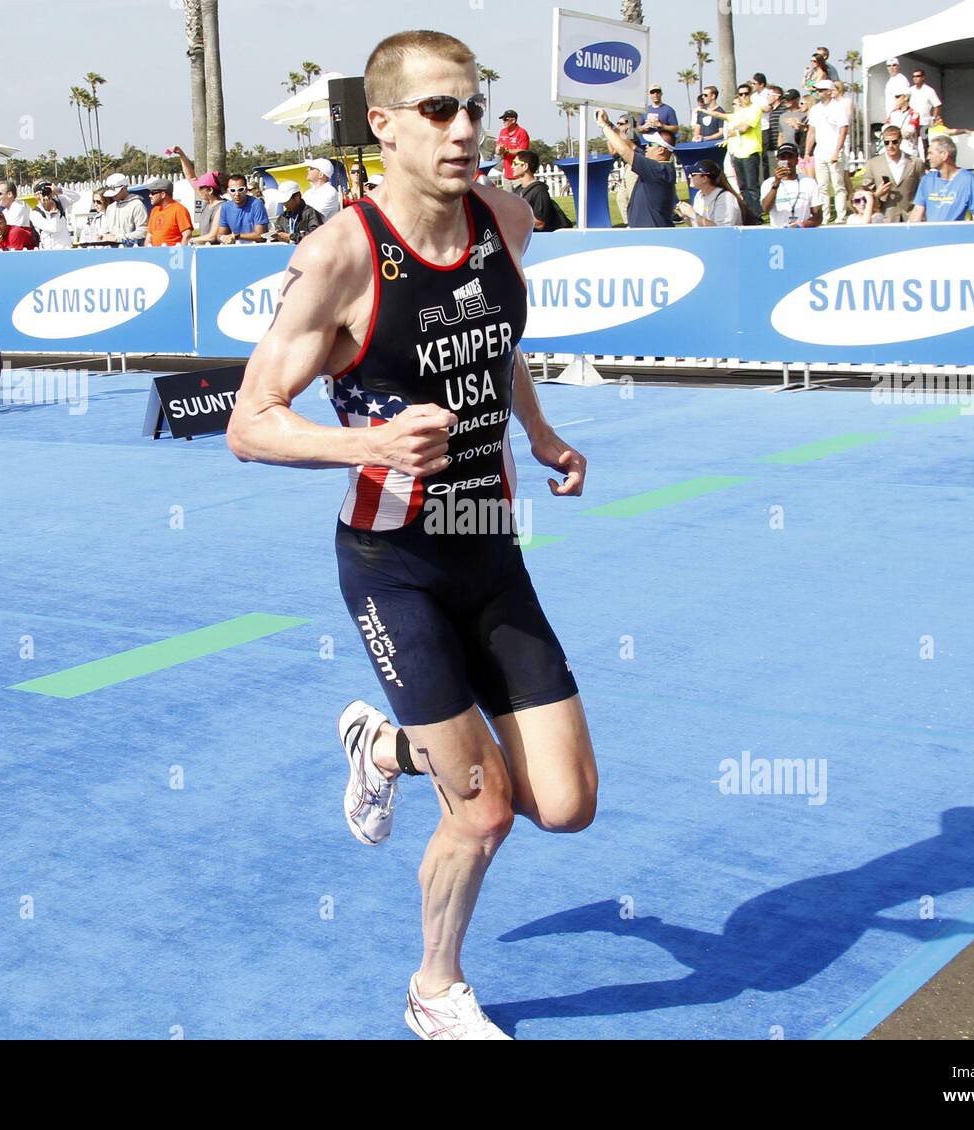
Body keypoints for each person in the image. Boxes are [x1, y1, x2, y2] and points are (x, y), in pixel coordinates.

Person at [225, 28, 594, 1042]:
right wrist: (369, 442)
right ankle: (436, 985)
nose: (466, 128)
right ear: (382, 125)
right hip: (395, 566)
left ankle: (383, 744)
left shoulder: (506, 220)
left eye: (473, 106)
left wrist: (546, 433)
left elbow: (498, 341)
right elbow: (248, 422)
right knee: (483, 810)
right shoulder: (340, 255)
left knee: (563, 802)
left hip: (489, 543)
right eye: (439, 110)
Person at [596, 110, 677, 228]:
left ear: (660, 150)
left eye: (651, 144)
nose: (647, 147)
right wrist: (609, 124)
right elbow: (630, 144)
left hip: (652, 234)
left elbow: (624, 151)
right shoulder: (657, 165)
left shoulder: (658, 170)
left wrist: (603, 126)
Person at [701, 83, 763, 223]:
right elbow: (723, 116)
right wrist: (707, 111)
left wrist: (731, 132)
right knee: (743, 188)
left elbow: (745, 128)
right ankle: (749, 215)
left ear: (750, 94)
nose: (743, 97)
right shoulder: (738, 113)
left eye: (745, 94)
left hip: (750, 152)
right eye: (740, 94)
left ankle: (756, 216)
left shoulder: (754, 109)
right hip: (737, 154)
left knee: (752, 187)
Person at [909, 135, 974, 222]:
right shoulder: (927, 180)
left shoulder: (968, 180)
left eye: (931, 153)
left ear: (944, 155)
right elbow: (917, 212)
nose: (928, 158)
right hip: (931, 234)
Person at [805, 79, 850, 223]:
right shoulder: (815, 109)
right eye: (817, 90)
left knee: (838, 185)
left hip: (833, 150)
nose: (818, 92)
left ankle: (841, 216)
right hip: (820, 151)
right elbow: (811, 132)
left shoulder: (838, 107)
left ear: (829, 92)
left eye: (821, 90)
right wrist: (807, 152)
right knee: (822, 187)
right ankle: (824, 217)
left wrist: (837, 151)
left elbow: (843, 130)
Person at [862, 124, 924, 223]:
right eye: (887, 142)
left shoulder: (916, 162)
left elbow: (923, 190)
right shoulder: (873, 164)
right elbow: (864, 194)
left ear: (900, 141)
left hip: (911, 218)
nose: (890, 146)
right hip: (885, 218)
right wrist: (877, 194)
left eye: (894, 142)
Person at [761, 143, 821, 228]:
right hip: (778, 233)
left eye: (790, 157)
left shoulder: (809, 182)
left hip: (802, 233)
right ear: (777, 160)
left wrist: (801, 225)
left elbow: (818, 217)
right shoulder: (768, 183)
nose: (787, 162)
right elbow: (765, 209)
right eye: (783, 158)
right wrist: (776, 184)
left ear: (797, 160)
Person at [200, 173, 269, 244]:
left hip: (256, 249)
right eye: (233, 190)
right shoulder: (225, 207)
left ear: (246, 190)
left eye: (240, 189)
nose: (237, 194)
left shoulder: (257, 204)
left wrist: (236, 236)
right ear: (228, 191)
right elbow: (220, 235)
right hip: (235, 249)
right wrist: (223, 238)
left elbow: (261, 236)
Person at [510, 150, 569, 231]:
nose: (512, 166)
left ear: (525, 166)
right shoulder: (518, 190)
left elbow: (539, 224)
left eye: (515, 163)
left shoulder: (539, 191)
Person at [678, 158, 745, 227]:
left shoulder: (726, 197)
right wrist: (686, 216)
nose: (689, 176)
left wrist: (693, 214)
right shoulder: (699, 195)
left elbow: (722, 229)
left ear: (704, 178)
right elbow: (698, 226)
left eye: (693, 175)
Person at [268, 179, 324, 243]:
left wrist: (291, 237)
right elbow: (279, 236)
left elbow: (316, 235)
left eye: (287, 200)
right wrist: (275, 236)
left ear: (297, 197)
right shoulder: (282, 218)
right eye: (283, 201)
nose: (284, 203)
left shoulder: (311, 213)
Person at [143, 178, 193, 246]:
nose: (150, 196)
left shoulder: (179, 209)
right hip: (155, 254)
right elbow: (149, 235)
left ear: (163, 194)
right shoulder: (154, 210)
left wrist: (180, 254)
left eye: (153, 193)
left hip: (173, 254)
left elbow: (187, 235)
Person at [908, 69, 942, 157]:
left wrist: (934, 119)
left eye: (918, 76)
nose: (915, 78)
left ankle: (928, 165)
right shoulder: (910, 90)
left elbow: (937, 105)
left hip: (924, 123)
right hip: (913, 123)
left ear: (923, 77)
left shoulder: (929, 90)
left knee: (925, 145)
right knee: (912, 145)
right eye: (914, 76)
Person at [30, 182, 74, 249]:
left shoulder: (59, 202)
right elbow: (54, 228)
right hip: (50, 252)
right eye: (44, 192)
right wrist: (53, 211)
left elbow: (76, 197)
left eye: (48, 191)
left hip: (67, 250)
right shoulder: (35, 214)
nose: (47, 195)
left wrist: (59, 190)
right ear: (37, 196)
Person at [493, 109, 530, 182]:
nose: (503, 121)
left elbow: (522, 152)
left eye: (505, 119)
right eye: (503, 119)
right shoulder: (502, 132)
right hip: (507, 175)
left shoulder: (522, 132)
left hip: (519, 175)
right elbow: (498, 149)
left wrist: (506, 150)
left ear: (513, 120)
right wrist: (498, 150)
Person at [301, 158, 342, 222]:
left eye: (311, 168)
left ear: (321, 174)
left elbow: (313, 216)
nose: (308, 169)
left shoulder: (330, 192)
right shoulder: (308, 193)